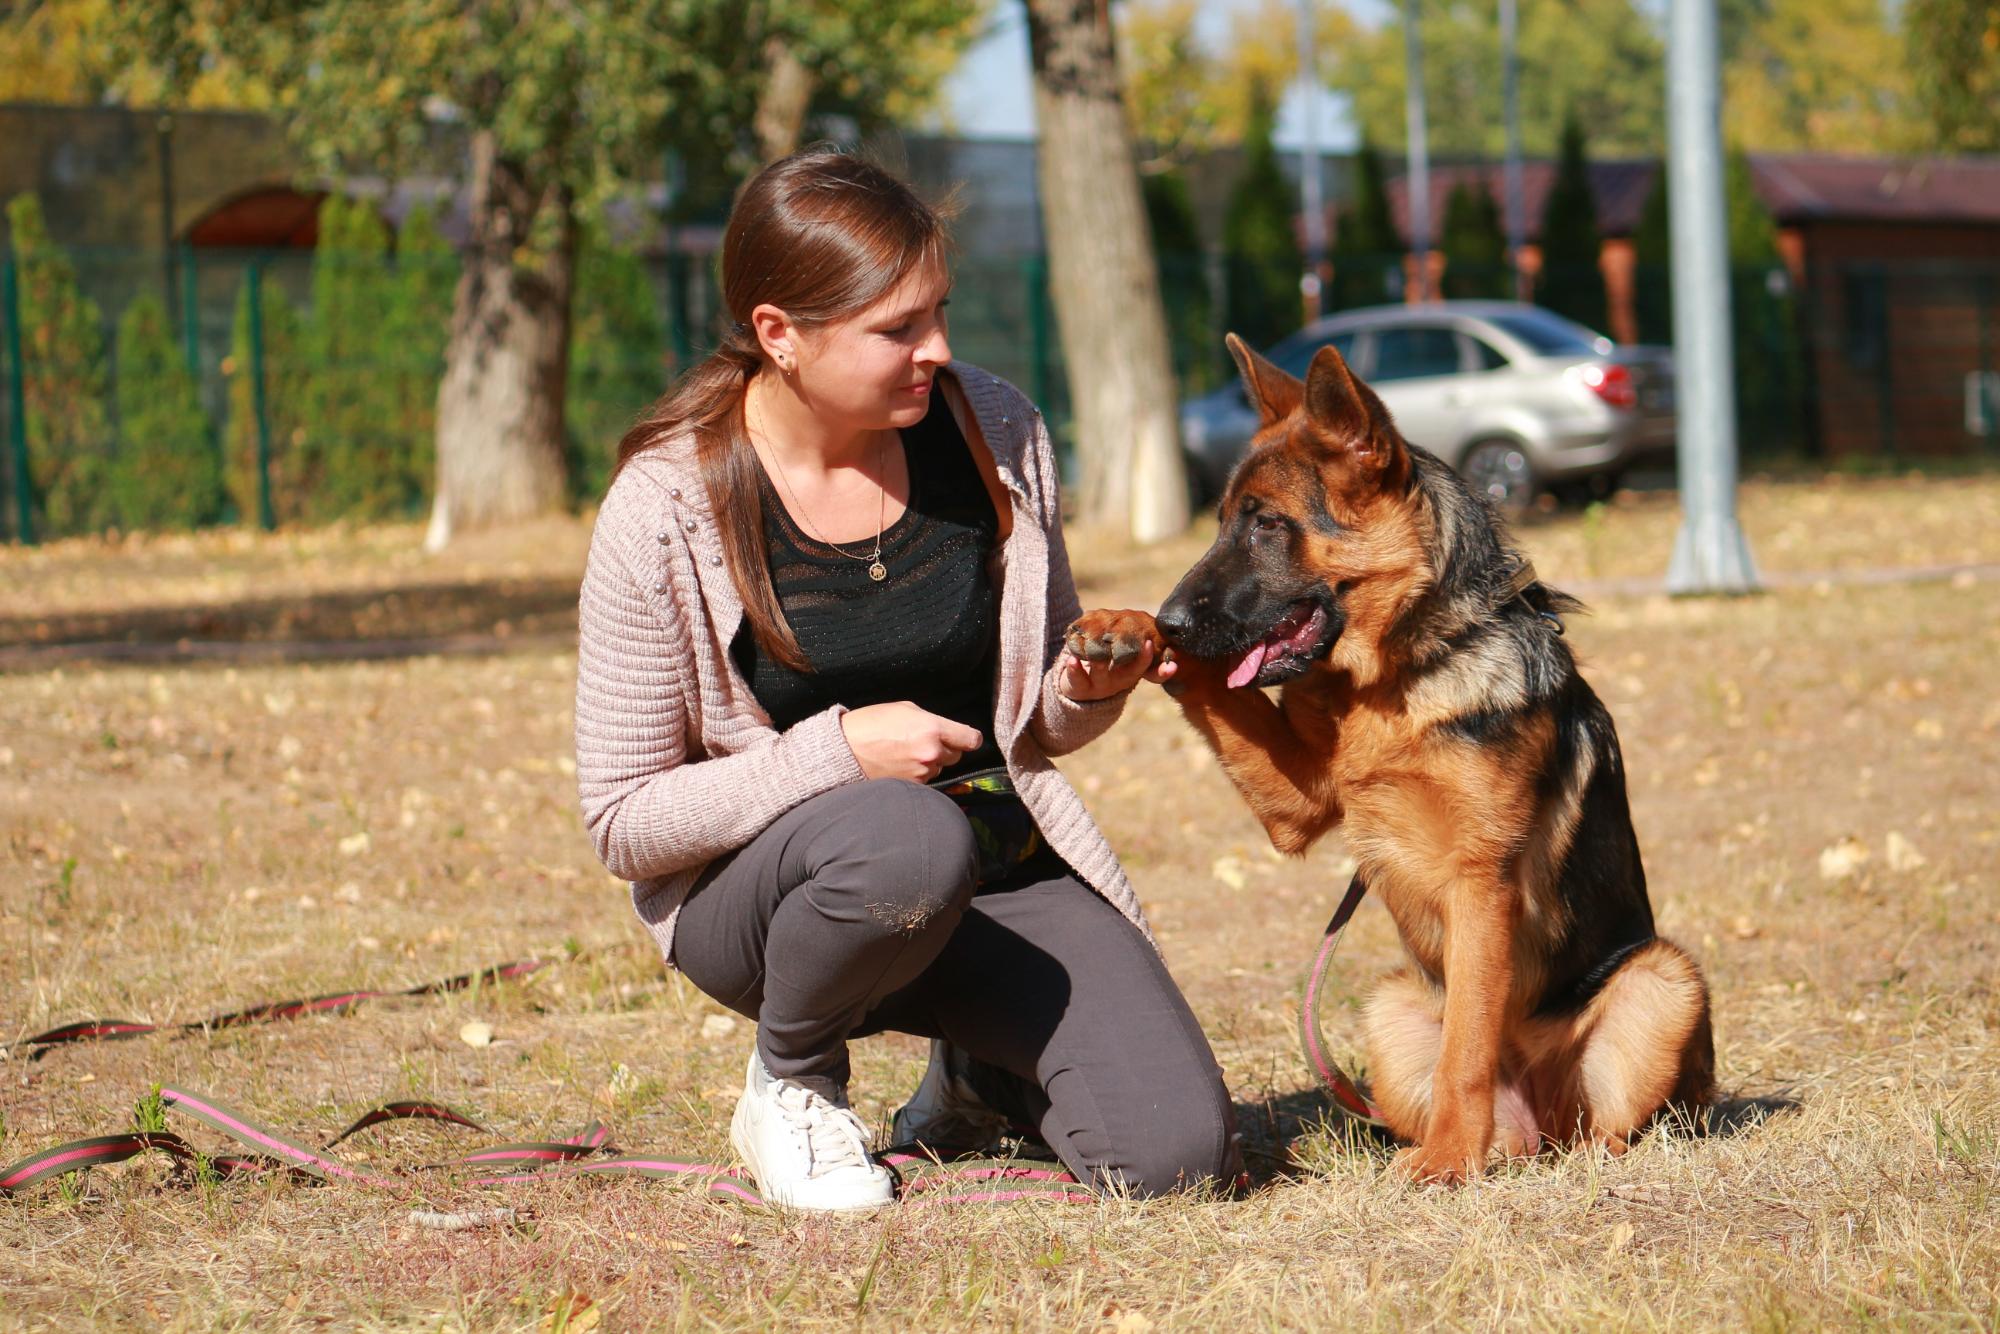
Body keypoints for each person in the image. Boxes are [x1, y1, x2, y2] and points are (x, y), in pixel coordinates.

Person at [574, 147, 1239, 1211]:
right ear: (776, 333)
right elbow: (623, 819)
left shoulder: (997, 429)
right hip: (775, 901)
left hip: (988, 862)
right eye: (895, 329)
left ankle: (974, 1076)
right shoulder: (661, 508)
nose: (935, 348)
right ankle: (790, 1080)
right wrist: (835, 753)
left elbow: (1034, 725)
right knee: (901, 834)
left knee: (1173, 1156)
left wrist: (1089, 678)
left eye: (936, 310)